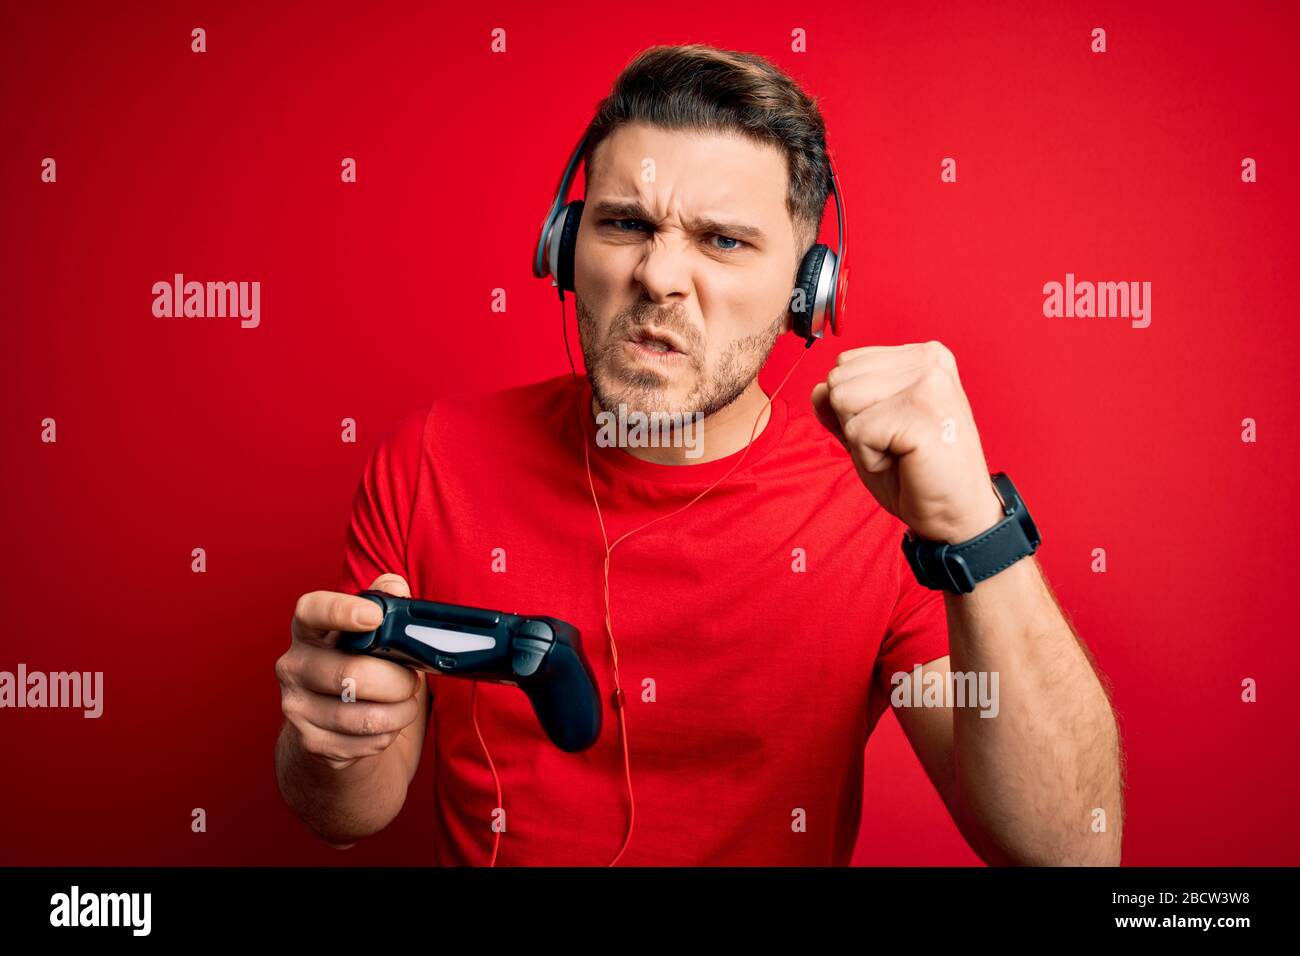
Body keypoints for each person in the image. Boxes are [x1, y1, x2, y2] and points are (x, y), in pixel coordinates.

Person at [274, 43, 1123, 866]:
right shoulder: (433, 458)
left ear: (808, 291)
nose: (659, 275)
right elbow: (348, 814)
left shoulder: (880, 507)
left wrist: (977, 529)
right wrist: (332, 735)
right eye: (625, 224)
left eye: (722, 241)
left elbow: (1068, 851)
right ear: (565, 248)